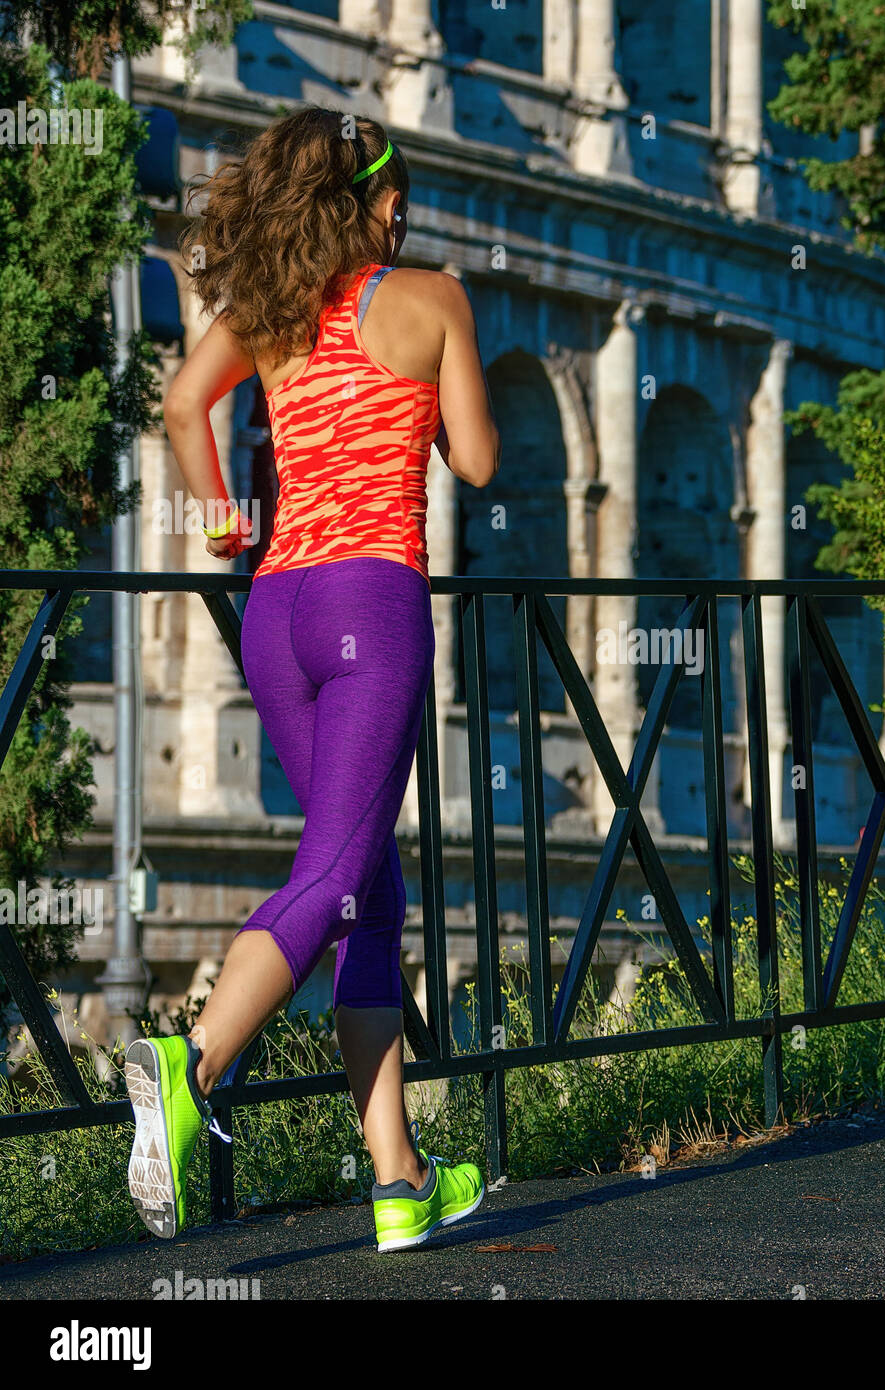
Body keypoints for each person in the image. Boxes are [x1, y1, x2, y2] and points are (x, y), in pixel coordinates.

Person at [125, 106, 500, 1253]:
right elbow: (479, 463)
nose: (408, 215)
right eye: (401, 198)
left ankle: (398, 1177)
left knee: (369, 895)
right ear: (372, 200)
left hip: (276, 610)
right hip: (368, 603)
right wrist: (430, 402)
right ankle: (194, 1063)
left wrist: (216, 520)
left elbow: (186, 404)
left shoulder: (270, 313)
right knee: (337, 872)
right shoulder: (433, 296)